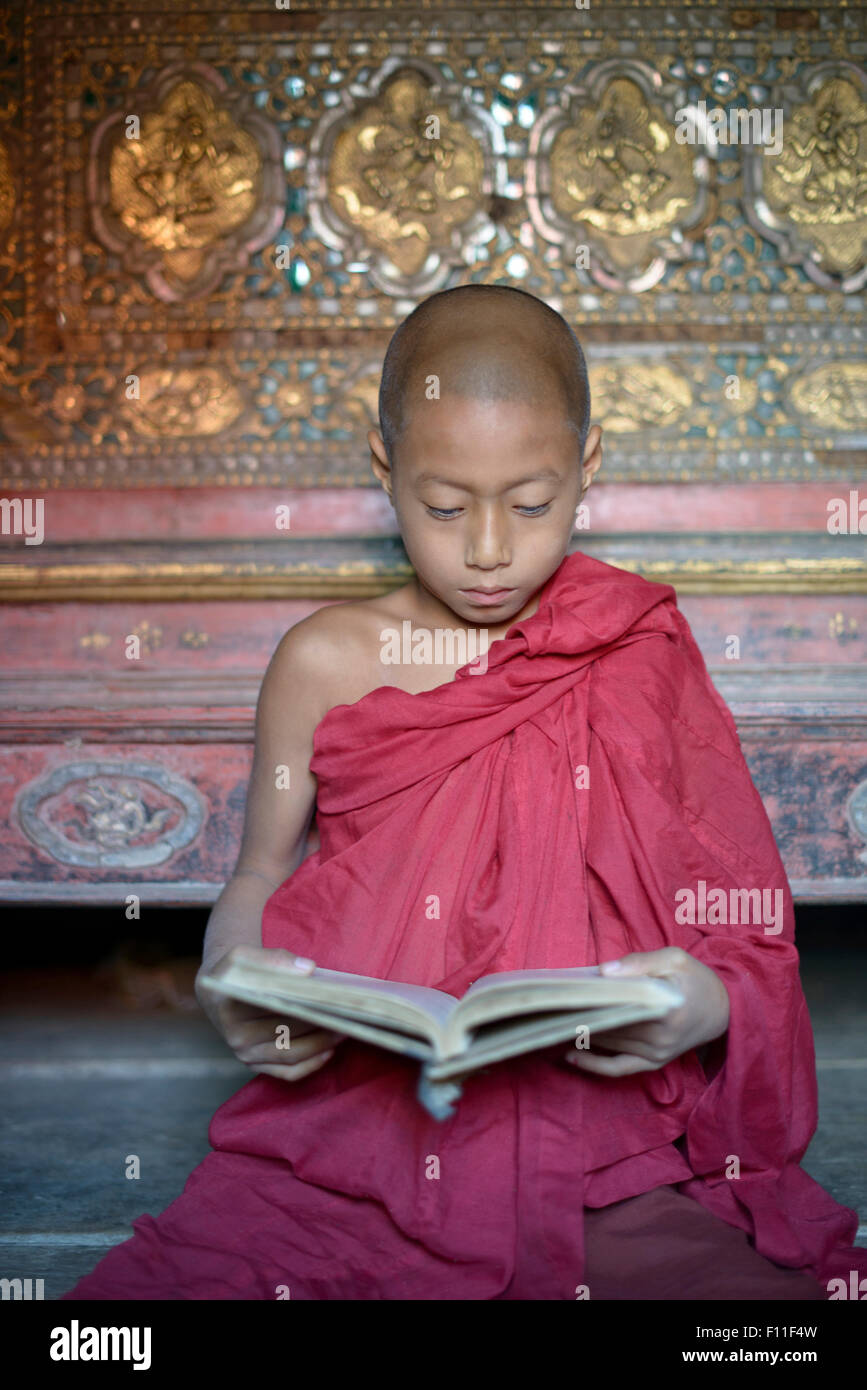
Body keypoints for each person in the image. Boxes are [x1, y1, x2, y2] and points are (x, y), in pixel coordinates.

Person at [63, 285, 865, 1300]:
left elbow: (737, 908)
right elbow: (260, 873)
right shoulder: (325, 659)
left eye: (531, 504)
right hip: (358, 1120)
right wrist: (234, 980)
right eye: (444, 507)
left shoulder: (634, 645)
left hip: (600, 1137)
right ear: (383, 468)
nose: (488, 548)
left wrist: (703, 1003)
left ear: (589, 468)